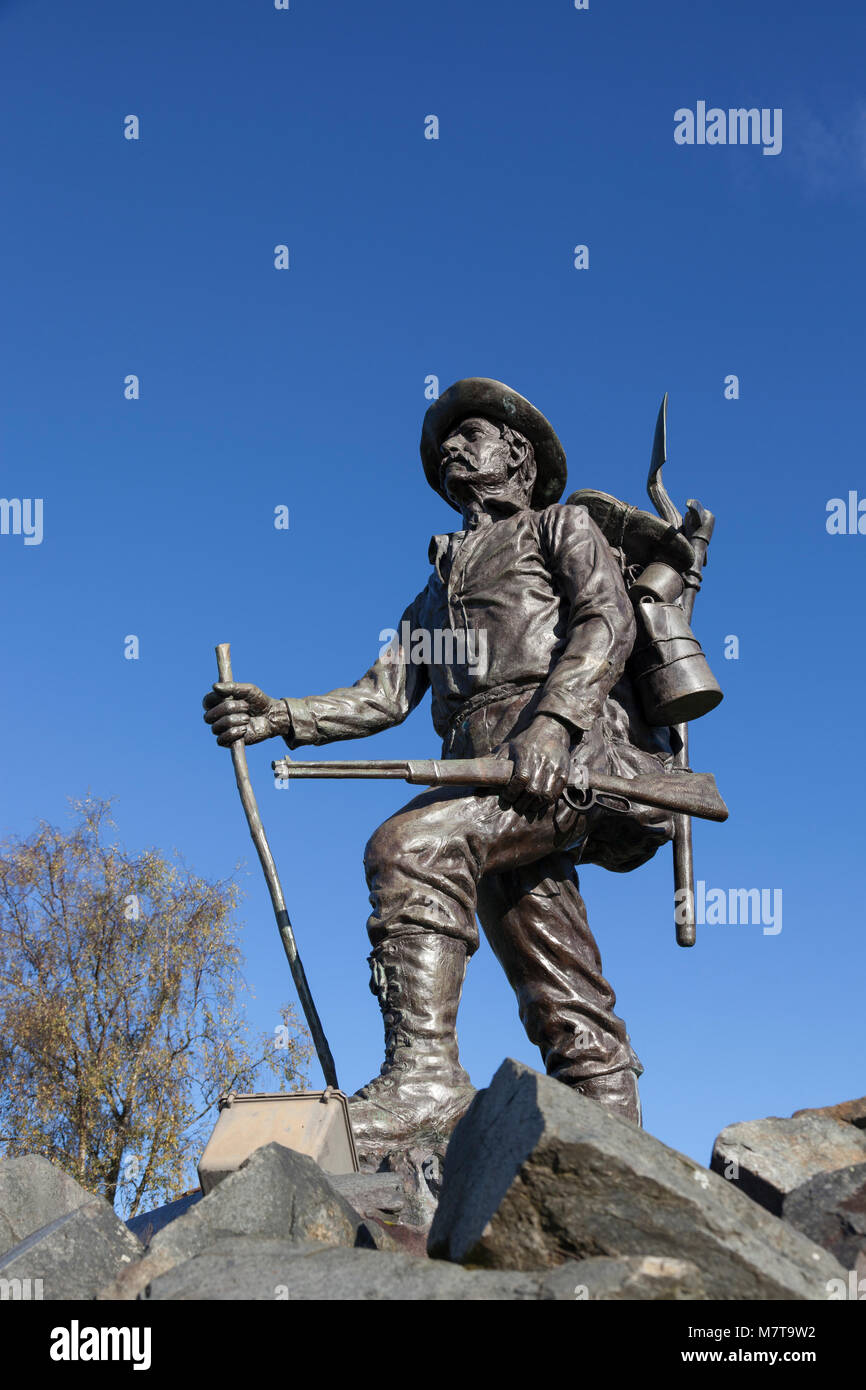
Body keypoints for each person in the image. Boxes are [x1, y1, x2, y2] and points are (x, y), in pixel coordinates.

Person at [204, 378, 674, 1150]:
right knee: (561, 991)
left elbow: (605, 621)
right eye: (445, 442)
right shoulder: (434, 592)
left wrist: (554, 727)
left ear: (517, 458)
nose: (452, 448)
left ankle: (424, 1078)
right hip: (478, 781)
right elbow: (384, 696)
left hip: (564, 758)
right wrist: (280, 716)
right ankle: (619, 1161)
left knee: (410, 848)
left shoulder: (561, 529)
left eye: (472, 434)